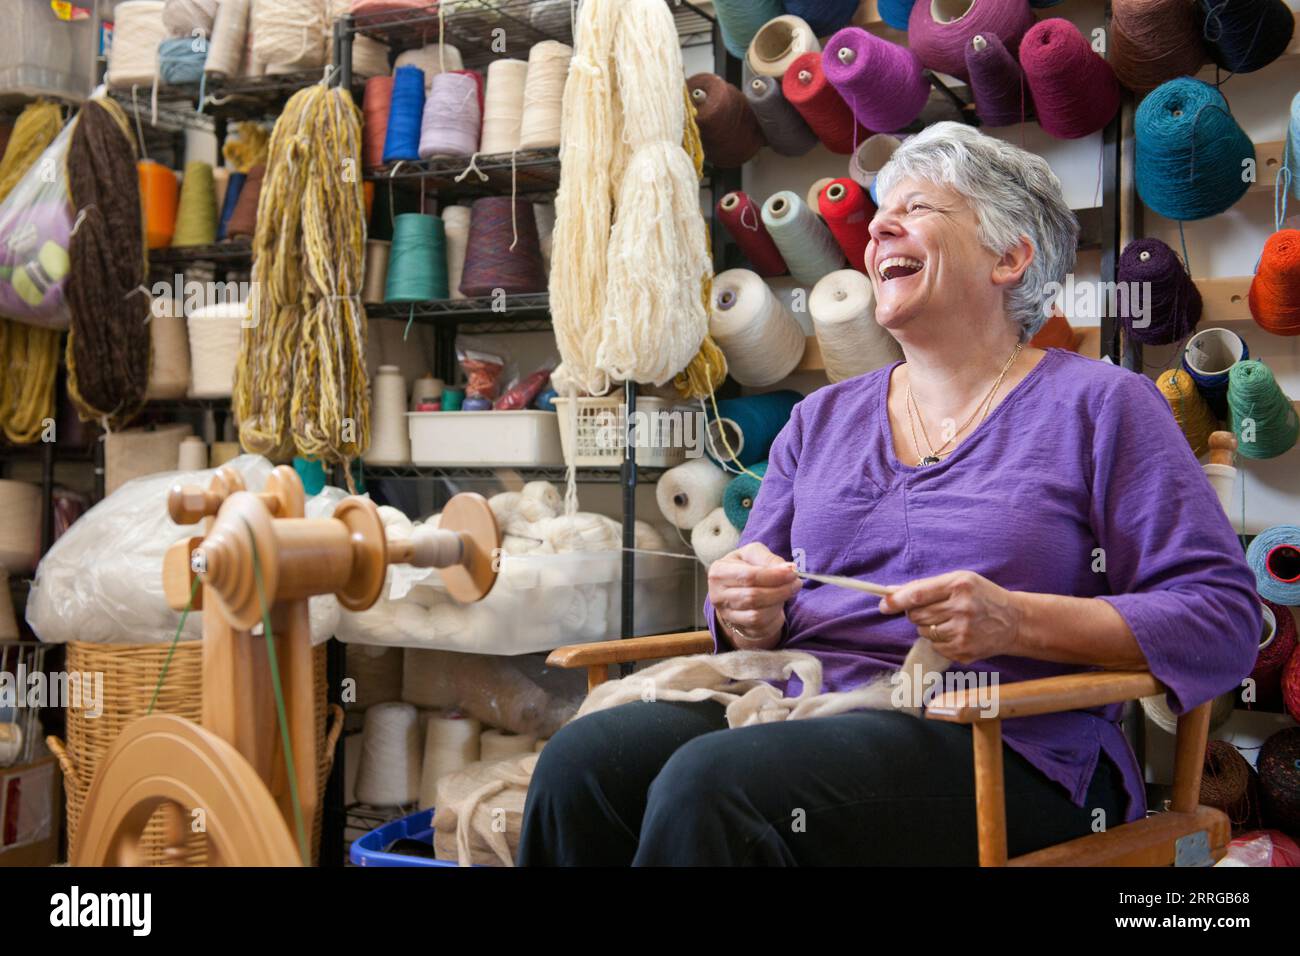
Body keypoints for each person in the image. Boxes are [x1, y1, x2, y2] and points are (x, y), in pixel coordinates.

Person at [517, 122, 1260, 866]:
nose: (877, 227)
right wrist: (744, 609)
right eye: (878, 216)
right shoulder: (820, 419)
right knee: (585, 764)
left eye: (920, 207)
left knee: (717, 787)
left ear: (1009, 257)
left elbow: (1220, 619)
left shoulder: (1103, 405)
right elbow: (746, 611)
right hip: (806, 705)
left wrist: (1015, 622)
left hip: (1007, 744)